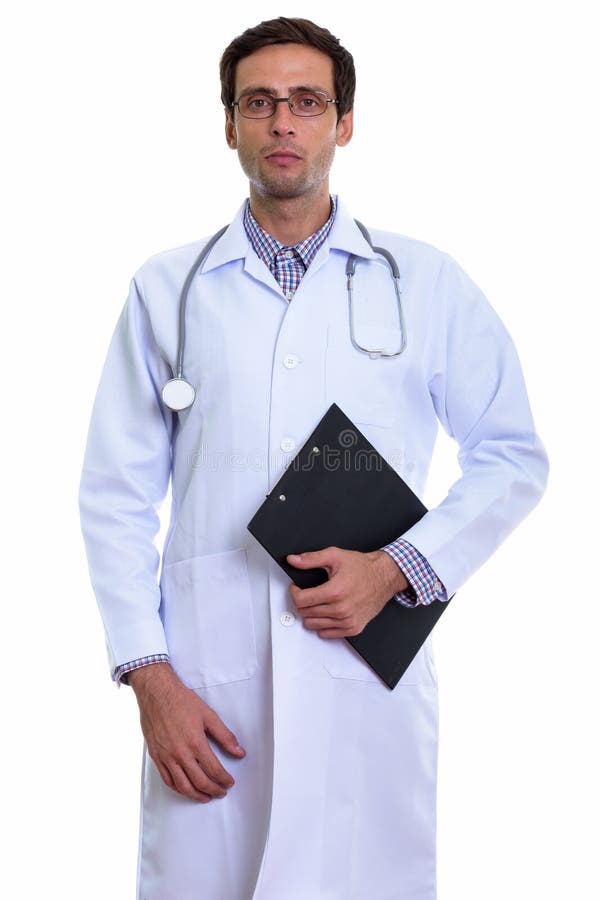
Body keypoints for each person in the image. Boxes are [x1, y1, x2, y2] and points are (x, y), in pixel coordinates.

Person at [78, 16, 548, 900]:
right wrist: (149, 677)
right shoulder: (166, 289)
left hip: (361, 677)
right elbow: (114, 497)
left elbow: (512, 456)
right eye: (259, 103)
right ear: (229, 125)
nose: (282, 121)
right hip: (208, 685)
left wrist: (399, 568)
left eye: (306, 101)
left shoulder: (425, 281)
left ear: (345, 121)